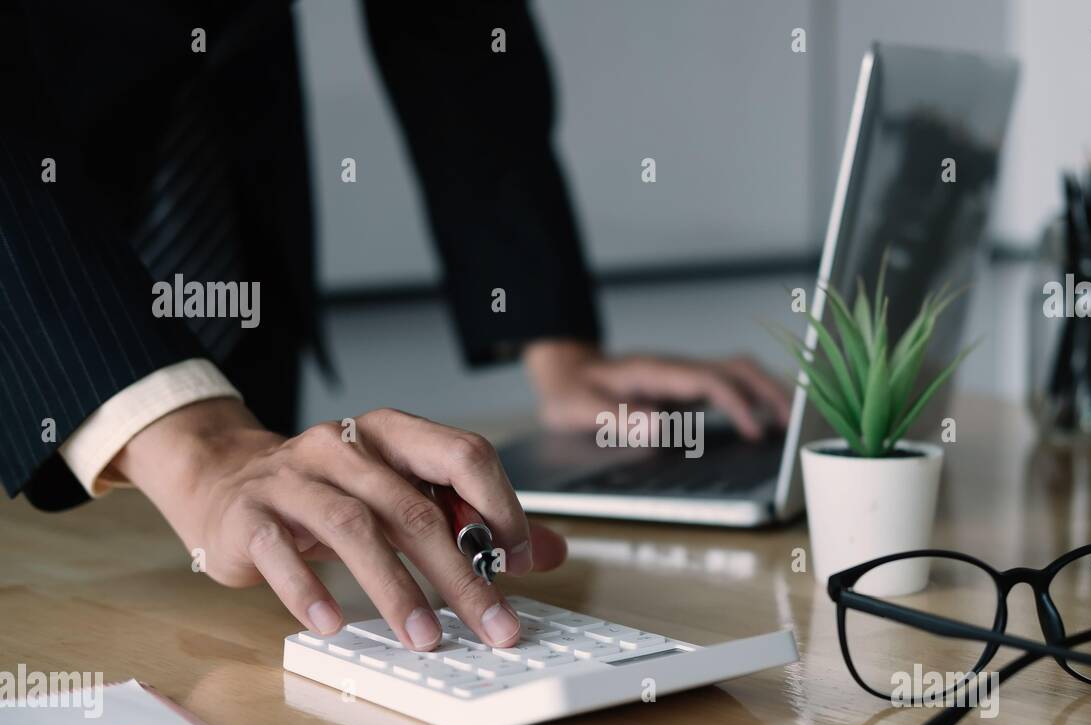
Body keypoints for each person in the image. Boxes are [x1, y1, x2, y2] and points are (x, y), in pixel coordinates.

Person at [0, 1, 788, 652]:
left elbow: (453, 29)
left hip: (234, 201)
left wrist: (553, 338)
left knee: (260, 596)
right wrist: (191, 443)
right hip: (33, 294)